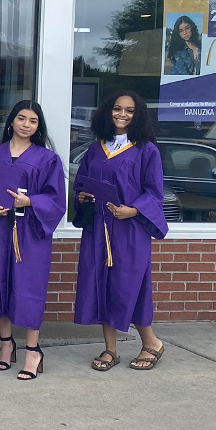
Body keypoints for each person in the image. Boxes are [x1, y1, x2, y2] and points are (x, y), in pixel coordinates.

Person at [0, 100, 66, 381]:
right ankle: (6, 345)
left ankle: (33, 351)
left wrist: (28, 200)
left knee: (28, 288)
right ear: (11, 121)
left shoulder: (47, 159)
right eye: (21, 118)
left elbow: (56, 199)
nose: (25, 124)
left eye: (32, 121)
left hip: (28, 233)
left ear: (38, 127)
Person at [74, 90, 168, 371]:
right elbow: (82, 183)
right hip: (99, 228)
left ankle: (151, 342)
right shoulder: (95, 148)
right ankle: (110, 350)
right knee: (102, 284)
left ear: (137, 115)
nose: (122, 114)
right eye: (117, 109)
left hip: (130, 230)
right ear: (108, 111)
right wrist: (83, 197)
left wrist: (134, 210)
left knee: (131, 285)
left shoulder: (146, 150)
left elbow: (154, 192)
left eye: (129, 110)